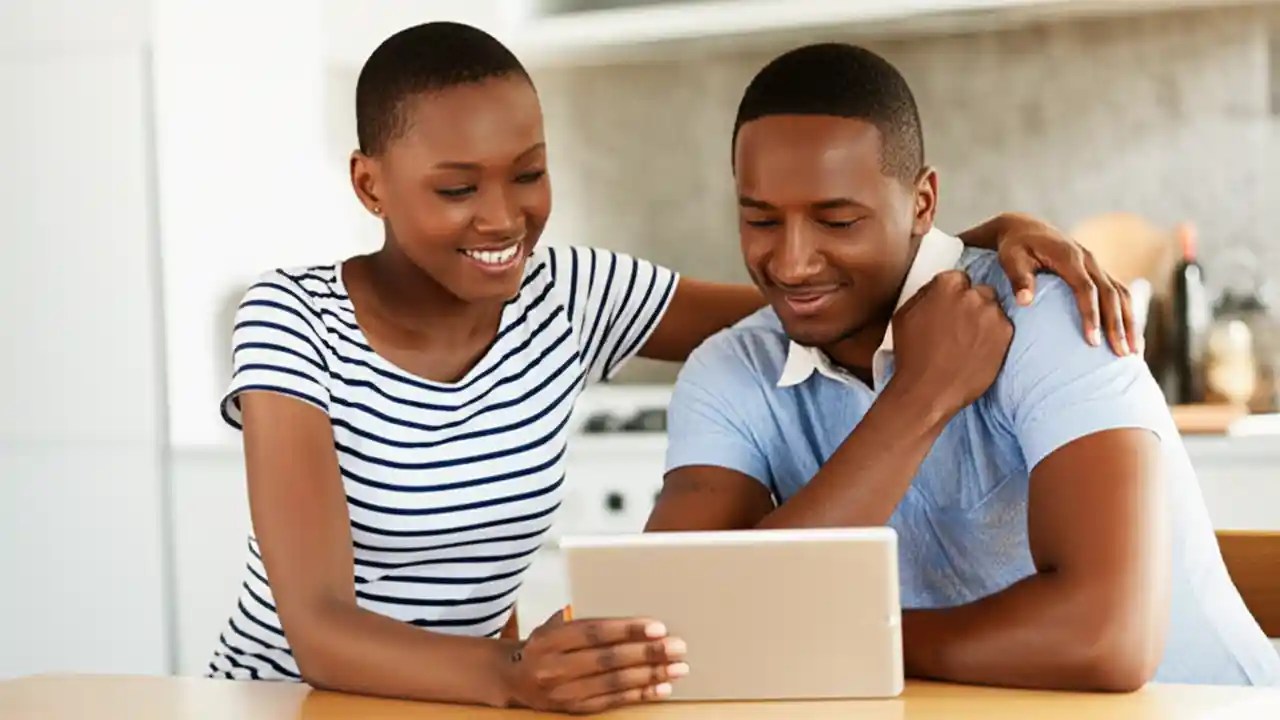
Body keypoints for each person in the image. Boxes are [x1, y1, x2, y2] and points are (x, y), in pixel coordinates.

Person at [207, 22, 1139, 713]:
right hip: (289, 697)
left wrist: (983, 242)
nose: (502, 217)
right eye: (457, 188)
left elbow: (811, 294)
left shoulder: (566, 292)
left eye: (527, 174)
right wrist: (511, 673)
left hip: (475, 704)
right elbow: (317, 625)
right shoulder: (290, 318)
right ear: (369, 183)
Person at [647, 42, 1280, 691]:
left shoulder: (1046, 312)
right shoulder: (731, 371)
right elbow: (671, 624)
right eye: (760, 220)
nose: (792, 262)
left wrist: (821, 634)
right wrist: (919, 396)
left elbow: (1104, 639)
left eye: (837, 221)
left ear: (923, 202)